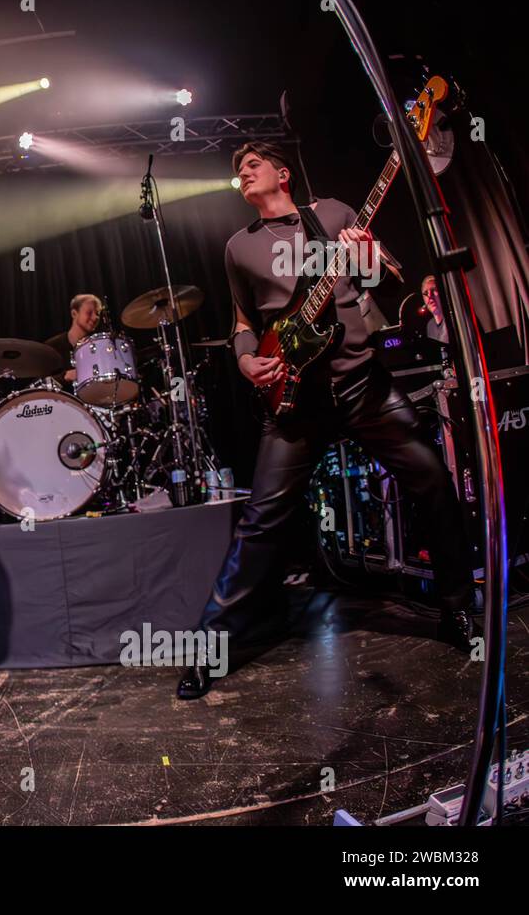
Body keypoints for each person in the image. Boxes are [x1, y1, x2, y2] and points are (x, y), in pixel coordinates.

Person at [177, 141, 475, 700]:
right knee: (261, 523)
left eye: (253, 164)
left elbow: (387, 279)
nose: (242, 171)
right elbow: (243, 319)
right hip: (296, 403)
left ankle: (456, 609)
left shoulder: (334, 215)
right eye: (237, 168)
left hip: (363, 385)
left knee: (433, 480)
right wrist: (244, 358)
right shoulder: (238, 247)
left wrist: (364, 257)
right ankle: (208, 648)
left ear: (283, 174)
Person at [45, 293, 106, 383]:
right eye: (89, 313)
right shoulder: (51, 347)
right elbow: (38, 384)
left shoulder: (99, 346)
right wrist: (64, 376)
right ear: (74, 313)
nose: (95, 317)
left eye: (97, 313)